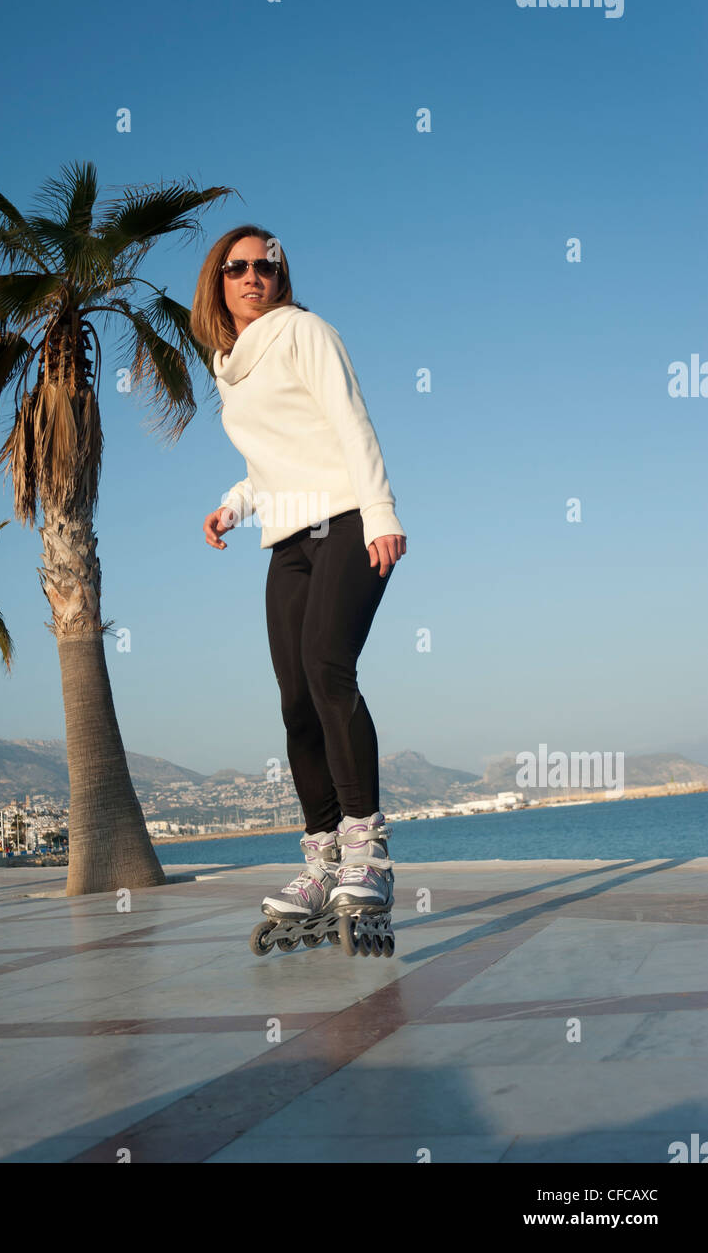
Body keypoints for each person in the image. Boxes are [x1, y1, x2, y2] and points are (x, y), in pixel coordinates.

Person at [192, 225, 407, 933]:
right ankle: (320, 864)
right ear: (217, 281)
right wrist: (233, 503)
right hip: (287, 538)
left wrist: (379, 512)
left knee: (327, 668)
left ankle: (365, 850)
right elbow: (271, 461)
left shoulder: (303, 331)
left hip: (346, 518)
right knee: (294, 702)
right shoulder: (227, 365)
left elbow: (348, 422)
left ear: (281, 276)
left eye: (266, 265)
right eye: (237, 267)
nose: (253, 275)